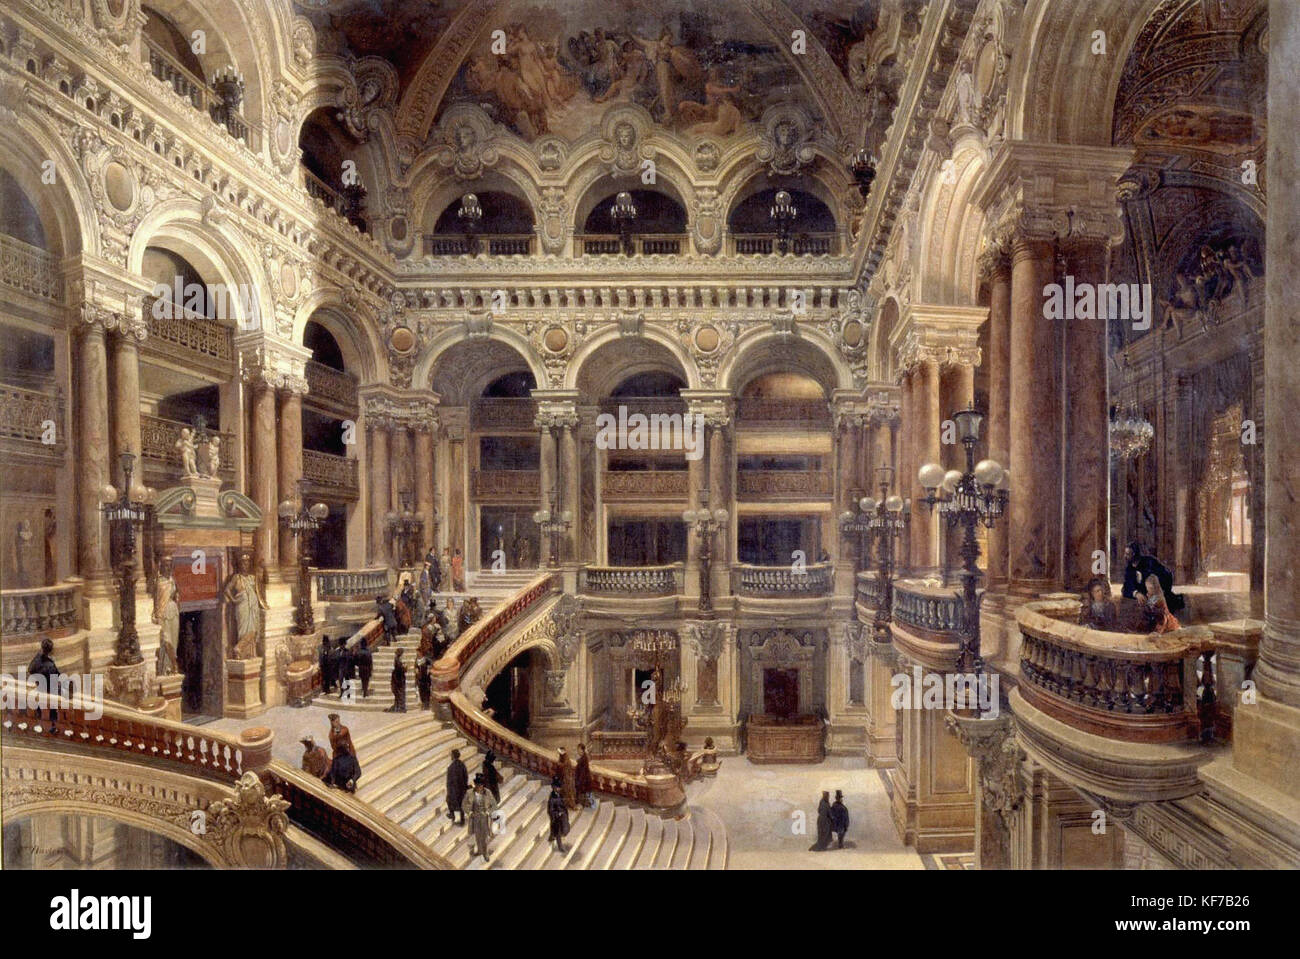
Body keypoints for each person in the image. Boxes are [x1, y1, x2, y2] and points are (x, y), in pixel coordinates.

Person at [1121, 542, 1185, 612]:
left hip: (1157, 595)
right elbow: (1126, 587)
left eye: (1127, 554)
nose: (1125, 556)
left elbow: (1167, 575)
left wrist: (1157, 595)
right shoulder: (1129, 569)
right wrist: (1136, 593)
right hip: (1143, 598)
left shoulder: (1150, 562)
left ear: (1134, 554)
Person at [27, 637, 61, 725]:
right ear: (51, 650)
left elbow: (30, 670)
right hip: (48, 689)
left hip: (39, 686)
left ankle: (39, 719)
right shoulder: (50, 664)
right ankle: (53, 722)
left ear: (42, 648)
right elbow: (56, 677)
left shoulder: (37, 658)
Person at [324, 713, 361, 792]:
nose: (337, 723)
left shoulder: (344, 729)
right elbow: (333, 746)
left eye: (338, 721)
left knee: (352, 767)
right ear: (332, 723)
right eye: (335, 722)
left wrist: (350, 750)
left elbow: (348, 740)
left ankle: (351, 781)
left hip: (348, 752)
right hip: (339, 753)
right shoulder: (331, 734)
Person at [467, 774, 497, 862]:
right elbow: (464, 804)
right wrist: (470, 812)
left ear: (483, 785)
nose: (479, 787)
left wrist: (488, 812)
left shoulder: (488, 793)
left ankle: (485, 853)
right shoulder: (470, 793)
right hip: (475, 818)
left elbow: (494, 805)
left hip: (485, 818)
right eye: (477, 785)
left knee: (484, 836)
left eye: (480, 785)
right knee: (477, 835)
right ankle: (480, 851)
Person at [547, 777, 571, 854]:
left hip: (562, 816)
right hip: (556, 817)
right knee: (558, 831)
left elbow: (563, 805)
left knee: (563, 829)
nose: (558, 789)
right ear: (553, 787)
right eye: (557, 787)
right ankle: (560, 846)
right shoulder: (552, 798)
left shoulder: (559, 795)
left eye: (559, 787)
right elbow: (550, 811)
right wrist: (558, 814)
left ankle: (551, 836)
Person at [446, 748, 469, 824]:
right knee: (460, 805)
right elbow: (466, 776)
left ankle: (458, 820)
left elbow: (449, 782)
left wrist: (449, 792)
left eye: (451, 755)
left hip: (454, 790)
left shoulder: (451, 767)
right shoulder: (462, 764)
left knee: (455, 805)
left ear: (453, 756)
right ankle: (460, 819)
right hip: (462, 789)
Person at [386, 648, 407, 712]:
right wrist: (404, 668)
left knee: (399, 693)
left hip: (397, 679)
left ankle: (399, 706)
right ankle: (400, 707)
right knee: (400, 693)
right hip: (399, 679)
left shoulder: (397, 660)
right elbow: (400, 670)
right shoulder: (398, 660)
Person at [574, 742, 593, 807]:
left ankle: (585, 805)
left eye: (579, 749)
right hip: (583, 780)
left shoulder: (583, 759)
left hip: (584, 780)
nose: (578, 751)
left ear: (582, 750)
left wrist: (579, 781)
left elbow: (583, 772)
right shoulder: (583, 758)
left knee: (584, 794)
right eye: (577, 749)